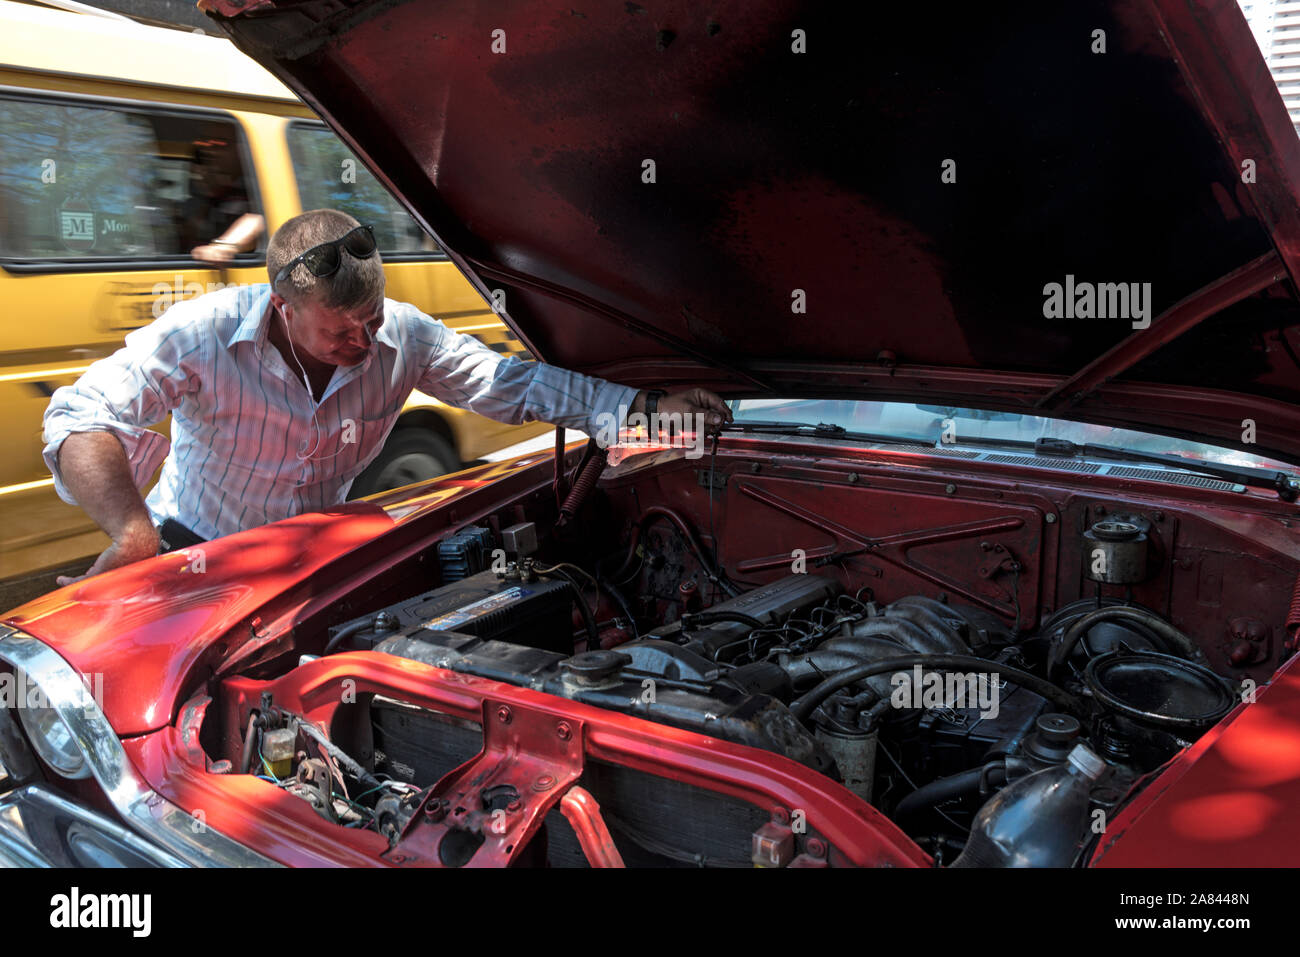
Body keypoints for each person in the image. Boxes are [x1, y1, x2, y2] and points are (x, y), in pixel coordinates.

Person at [43, 209, 731, 585]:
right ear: (281, 306)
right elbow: (82, 414)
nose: (365, 343)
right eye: (338, 331)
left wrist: (642, 411)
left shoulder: (405, 334)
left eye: (370, 319)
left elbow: (513, 384)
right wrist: (132, 534)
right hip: (191, 555)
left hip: (308, 565)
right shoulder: (203, 334)